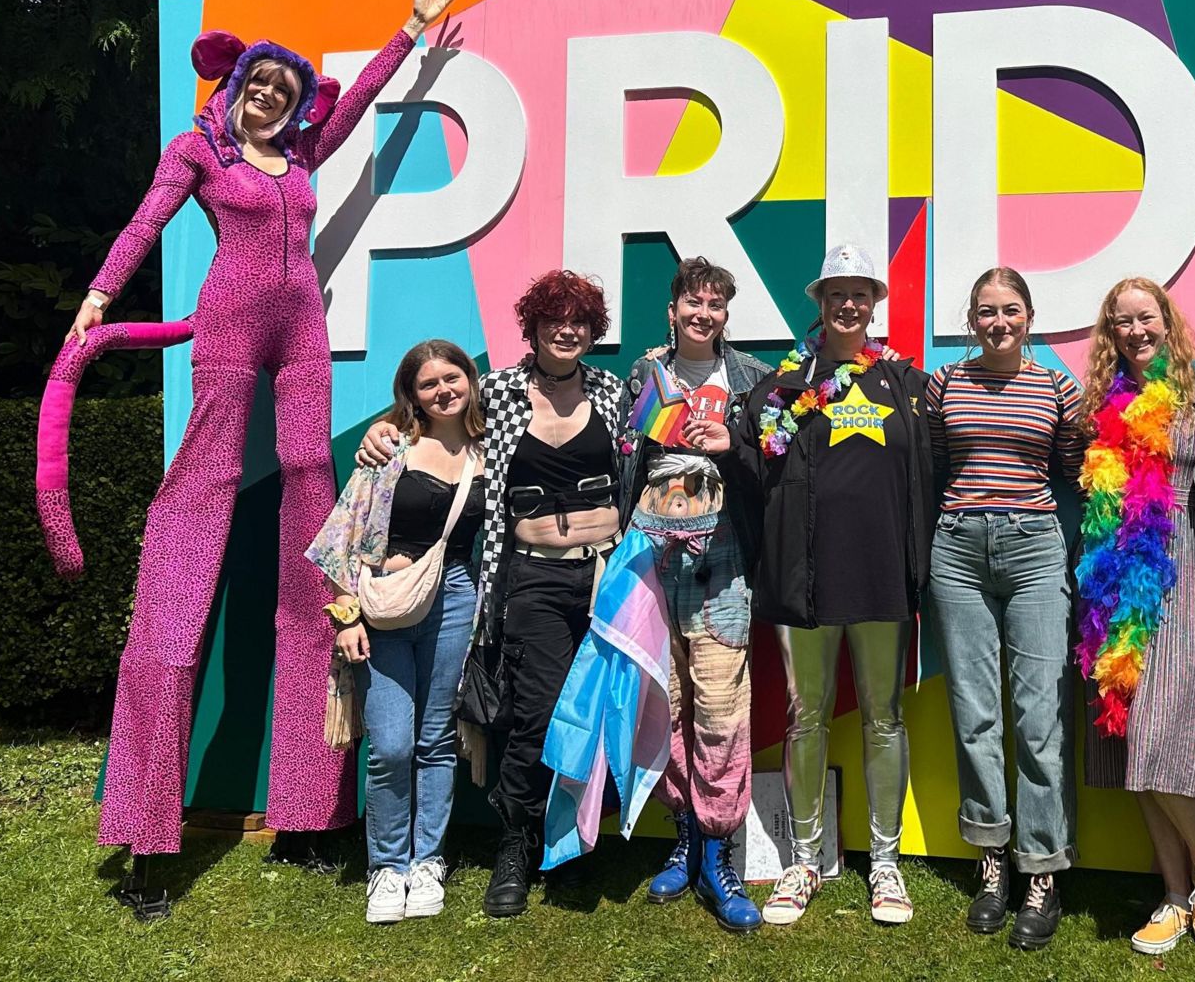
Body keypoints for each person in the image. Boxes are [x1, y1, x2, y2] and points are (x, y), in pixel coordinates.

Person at [52, 0, 461, 914]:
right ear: (235, 89)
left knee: (316, 531)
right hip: (232, 333)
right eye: (260, 84)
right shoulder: (199, 150)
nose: (273, 97)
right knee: (195, 507)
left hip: (302, 336)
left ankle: (310, 814)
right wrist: (103, 293)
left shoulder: (307, 152)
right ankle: (148, 834)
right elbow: (147, 219)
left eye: (286, 87)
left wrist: (408, 32)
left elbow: (357, 110)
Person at [359, 269, 626, 919]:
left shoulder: (616, 391)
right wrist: (380, 432)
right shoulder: (502, 391)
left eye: (580, 319)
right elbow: (438, 427)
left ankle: (576, 847)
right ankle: (515, 845)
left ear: (593, 330)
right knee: (532, 716)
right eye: (553, 318)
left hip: (607, 574)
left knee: (598, 713)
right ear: (532, 327)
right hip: (532, 576)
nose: (567, 329)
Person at [703, 244, 933, 928]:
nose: (848, 304)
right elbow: (752, 471)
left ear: (874, 302)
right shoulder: (779, 389)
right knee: (807, 713)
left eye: (860, 292)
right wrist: (725, 445)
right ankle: (804, 859)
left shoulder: (906, 385)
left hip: (882, 576)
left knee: (884, 713)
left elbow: (934, 471)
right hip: (803, 580)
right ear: (820, 302)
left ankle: (886, 862)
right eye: (836, 292)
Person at [1074, 276, 1195, 955]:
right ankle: (1176, 894)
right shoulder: (1103, 400)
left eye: (1145, 318)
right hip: (1113, 574)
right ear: (1111, 331)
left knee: (1159, 730)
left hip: (1179, 561)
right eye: (1122, 322)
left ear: (1167, 320)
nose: (1135, 331)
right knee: (1124, 737)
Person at [923, 267, 1086, 950]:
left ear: (1028, 315)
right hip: (957, 549)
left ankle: (1042, 869)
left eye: (1010, 309)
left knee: (1038, 714)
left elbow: (1076, 466)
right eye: (986, 310)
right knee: (974, 710)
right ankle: (991, 859)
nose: (998, 321)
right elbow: (933, 461)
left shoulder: (1056, 387)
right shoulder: (944, 385)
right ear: (972, 317)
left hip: (1034, 549)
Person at [306, 340, 486, 924]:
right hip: (385, 607)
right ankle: (387, 865)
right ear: (411, 394)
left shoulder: (491, 452)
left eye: (451, 377)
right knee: (390, 744)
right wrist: (346, 614)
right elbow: (343, 534)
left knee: (435, 739)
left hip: (457, 598)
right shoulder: (390, 451)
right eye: (428, 383)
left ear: (469, 379)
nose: (443, 391)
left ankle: (426, 860)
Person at [619, 258, 773, 933]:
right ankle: (685, 838)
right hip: (655, 560)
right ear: (672, 309)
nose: (702, 312)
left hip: (724, 563)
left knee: (719, 708)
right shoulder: (645, 374)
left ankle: (720, 851)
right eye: (692, 301)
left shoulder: (749, 380)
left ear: (725, 315)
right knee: (669, 704)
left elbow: (772, 467)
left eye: (714, 303)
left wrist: (733, 444)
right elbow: (628, 459)